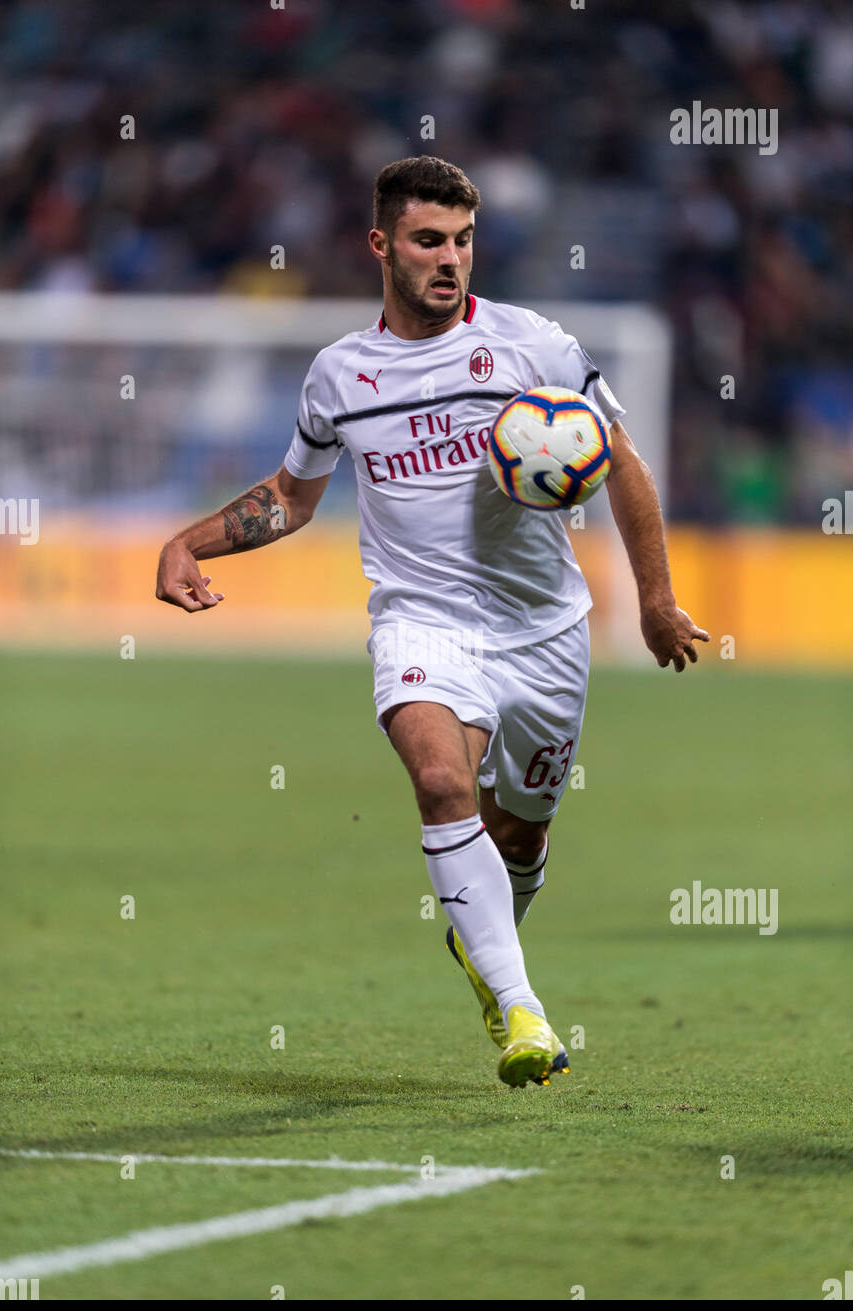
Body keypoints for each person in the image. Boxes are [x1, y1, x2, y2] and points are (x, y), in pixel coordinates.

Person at [156, 156, 709, 1088]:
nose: (449, 260)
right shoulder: (343, 375)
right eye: (427, 241)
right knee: (441, 782)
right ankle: (522, 1009)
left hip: (543, 631)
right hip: (422, 621)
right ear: (382, 246)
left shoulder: (533, 346)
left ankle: (484, 943)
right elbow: (292, 497)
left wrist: (655, 601)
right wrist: (191, 542)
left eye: (461, 241)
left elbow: (622, 463)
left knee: (522, 833)